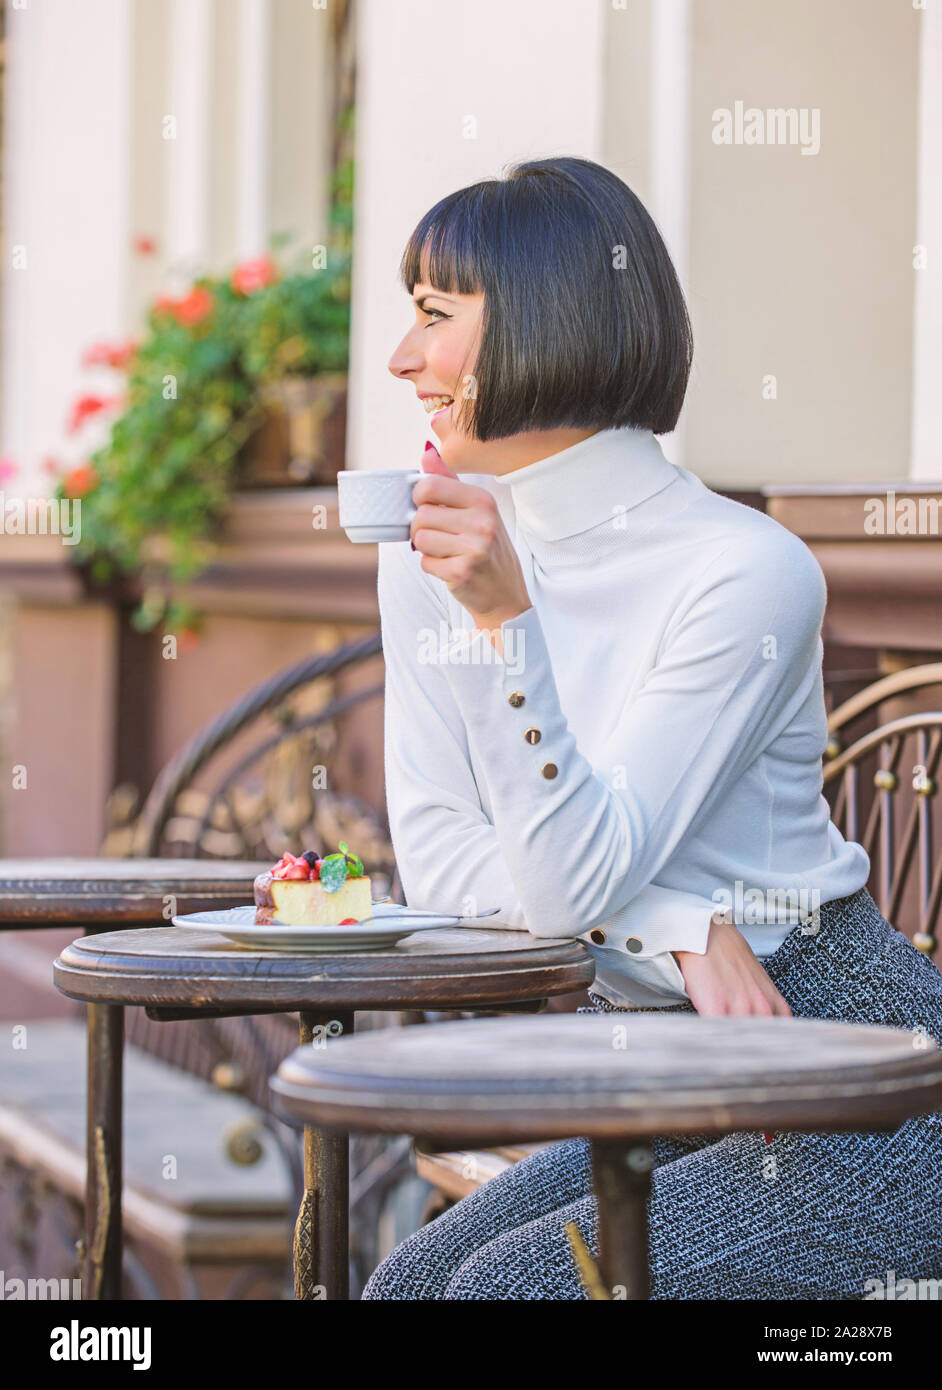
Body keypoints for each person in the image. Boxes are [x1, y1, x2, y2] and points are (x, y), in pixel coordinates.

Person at [361, 156, 942, 1300]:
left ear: (538, 324)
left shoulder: (744, 572)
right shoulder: (430, 553)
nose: (400, 358)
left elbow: (567, 881)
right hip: (669, 1055)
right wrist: (674, 926)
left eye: (433, 317)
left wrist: (505, 619)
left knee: (499, 1296)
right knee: (409, 1287)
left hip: (855, 1071)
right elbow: (437, 862)